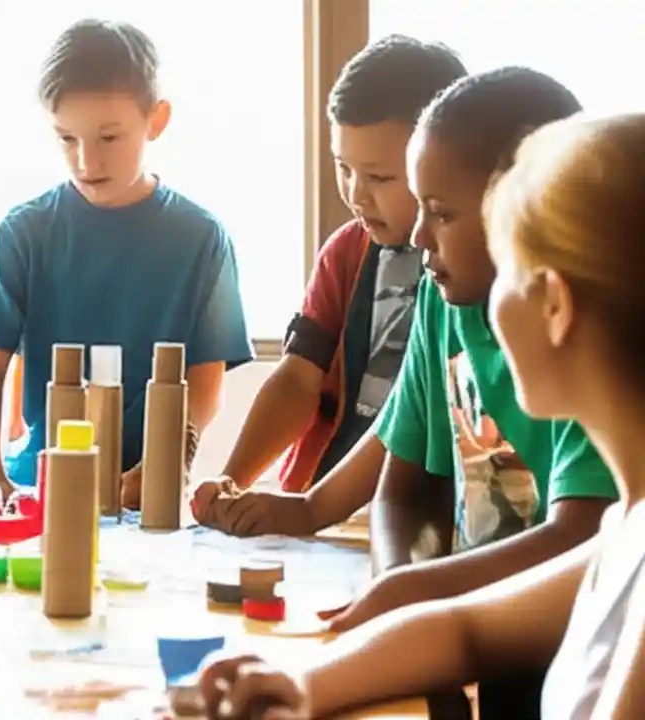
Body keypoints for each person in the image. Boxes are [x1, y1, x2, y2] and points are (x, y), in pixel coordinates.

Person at [197, 69, 618, 719]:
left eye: (443, 213)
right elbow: (465, 627)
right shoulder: (624, 537)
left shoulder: (618, 543)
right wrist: (312, 678)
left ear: (556, 300)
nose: (418, 240)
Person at [0, 19, 252, 503]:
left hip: (144, 486)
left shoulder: (202, 238)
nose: (86, 163)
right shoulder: (23, 233)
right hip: (40, 483)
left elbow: (204, 385)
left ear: (156, 120)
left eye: (109, 138)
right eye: (67, 139)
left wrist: (163, 463)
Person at [202, 35, 465, 501]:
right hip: (321, 492)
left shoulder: (472, 267)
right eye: (343, 168)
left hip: (421, 500)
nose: (356, 195)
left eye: (381, 177)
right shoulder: (347, 251)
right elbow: (297, 379)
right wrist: (231, 481)